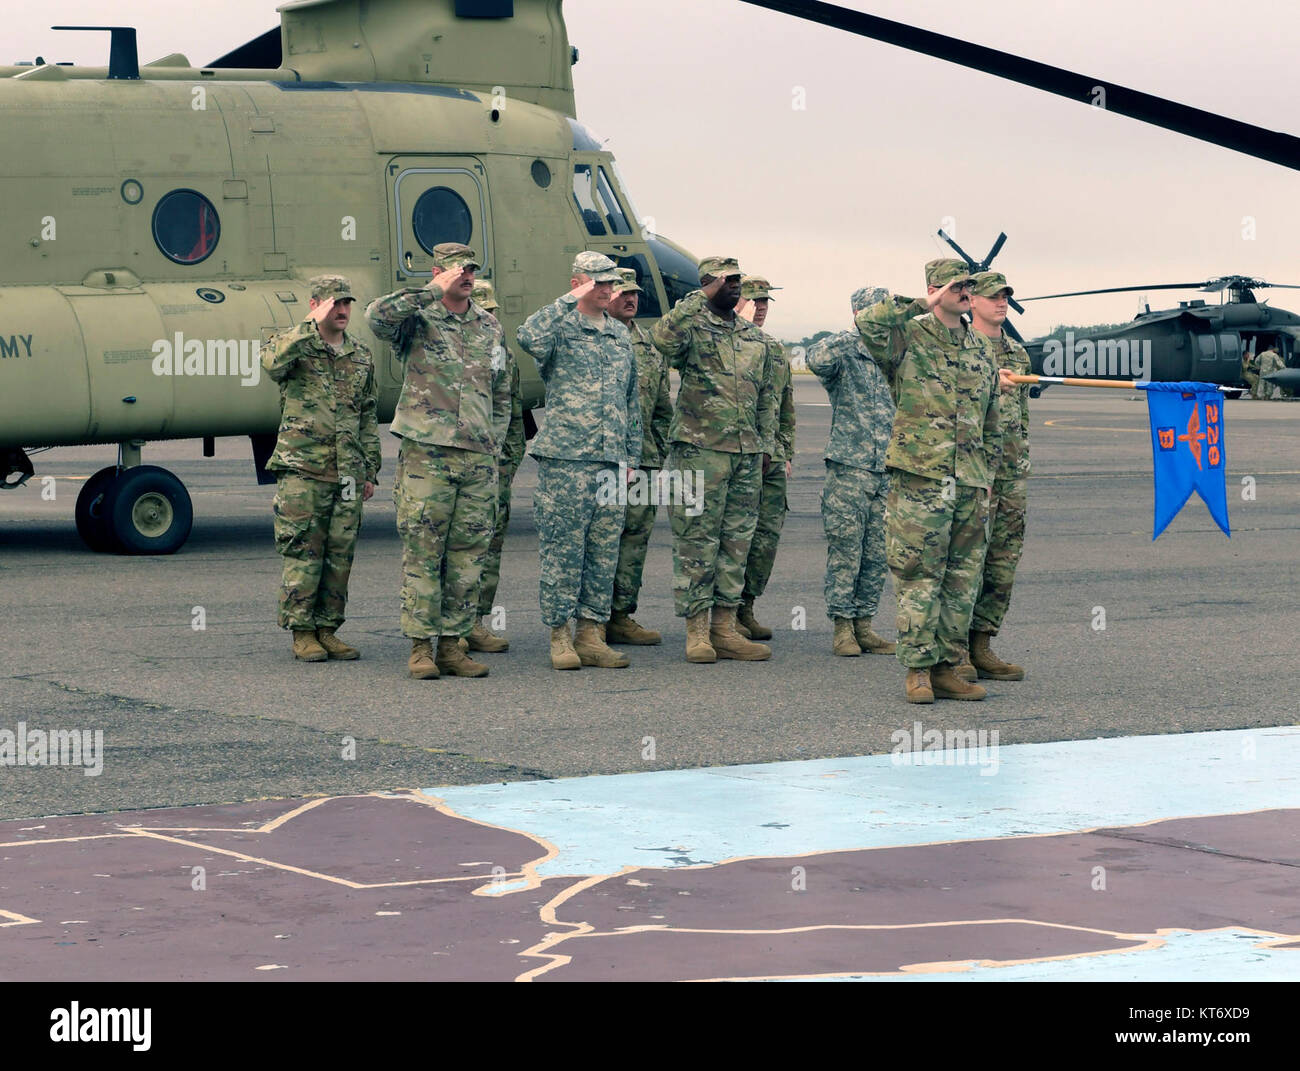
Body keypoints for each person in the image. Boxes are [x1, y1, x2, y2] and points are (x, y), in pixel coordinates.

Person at [855, 259, 1001, 702]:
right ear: (936, 288)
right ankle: (917, 669)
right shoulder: (907, 336)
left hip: (970, 481)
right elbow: (866, 324)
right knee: (919, 574)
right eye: (957, 284)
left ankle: (946, 667)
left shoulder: (980, 347)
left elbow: (991, 418)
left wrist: (989, 474)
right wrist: (922, 303)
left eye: (969, 285)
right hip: (921, 477)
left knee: (962, 578)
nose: (964, 291)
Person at [365, 243, 511, 680]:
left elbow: (501, 389)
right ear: (438, 273)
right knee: (424, 553)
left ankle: (453, 645)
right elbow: (376, 317)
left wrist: (493, 443)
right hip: (427, 456)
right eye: (456, 270)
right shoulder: (417, 319)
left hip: (477, 458)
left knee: (468, 555)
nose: (466, 275)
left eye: (470, 269)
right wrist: (431, 290)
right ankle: (420, 648)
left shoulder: (489, 326)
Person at [516, 251, 642, 670]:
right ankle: (560, 636)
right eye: (598, 282)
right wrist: (567, 301)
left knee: (603, 553)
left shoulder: (619, 336)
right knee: (563, 551)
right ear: (578, 284)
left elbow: (631, 402)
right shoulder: (560, 327)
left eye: (610, 283)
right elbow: (527, 337)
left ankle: (591, 633)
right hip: (567, 459)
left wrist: (631, 460)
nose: (608, 289)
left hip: (611, 461)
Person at [651, 256, 777, 663]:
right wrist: (697, 298)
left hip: (745, 454)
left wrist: (765, 446)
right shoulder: (692, 328)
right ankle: (697, 632)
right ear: (708, 284)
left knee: (736, 543)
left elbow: (765, 399)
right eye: (728, 280)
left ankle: (726, 627)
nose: (737, 286)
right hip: (699, 451)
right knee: (696, 541)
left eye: (739, 279)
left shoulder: (753, 339)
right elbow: (662, 339)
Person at [263, 275, 379, 662]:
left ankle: (328, 628)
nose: (342, 311)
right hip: (303, 468)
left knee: (340, 554)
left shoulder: (360, 355)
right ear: (316, 306)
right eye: (334, 304)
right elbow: (270, 362)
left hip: (347, 471)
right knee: (303, 550)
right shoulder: (297, 347)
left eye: (346, 303)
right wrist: (310, 326)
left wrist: (369, 470)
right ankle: (302, 632)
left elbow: (367, 414)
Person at [806, 287, 897, 657]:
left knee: (877, 552)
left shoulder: (896, 355)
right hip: (850, 466)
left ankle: (865, 624)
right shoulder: (846, 352)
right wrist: (860, 331)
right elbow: (816, 358)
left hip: (888, 468)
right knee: (846, 548)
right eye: (876, 311)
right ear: (859, 313)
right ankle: (842, 627)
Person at [964, 271, 1030, 681]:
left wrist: (1020, 461)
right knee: (965, 562)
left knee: (1003, 562)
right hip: (973, 473)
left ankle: (982, 641)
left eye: (1005, 296)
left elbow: (1021, 416)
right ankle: (953, 651)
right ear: (972, 301)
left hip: (1011, 473)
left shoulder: (1018, 354)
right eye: (992, 297)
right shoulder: (962, 350)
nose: (1001, 303)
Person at [607, 267, 673, 645]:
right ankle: (590, 620)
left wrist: (656, 452)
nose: (631, 299)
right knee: (599, 540)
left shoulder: (649, 346)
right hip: (601, 460)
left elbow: (663, 407)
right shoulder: (593, 339)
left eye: (634, 293)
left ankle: (620, 615)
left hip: (643, 461)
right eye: (622, 293)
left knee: (634, 539)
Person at [466, 279, 525, 653]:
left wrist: (506, 467)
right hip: (460, 467)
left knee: (489, 548)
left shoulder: (505, 360)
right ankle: (449, 623)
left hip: (494, 470)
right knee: (458, 549)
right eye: (481, 311)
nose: (488, 318)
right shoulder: (447, 355)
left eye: (492, 313)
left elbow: (516, 420)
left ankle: (475, 621)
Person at [735, 275, 795, 642]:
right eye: (753, 300)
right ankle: (722, 614)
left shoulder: (774, 348)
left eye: (765, 302)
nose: (760, 307)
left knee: (764, 538)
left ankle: (746, 607)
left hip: (770, 459)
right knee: (734, 538)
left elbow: (786, 406)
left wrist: (784, 451)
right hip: (738, 457)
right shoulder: (727, 344)